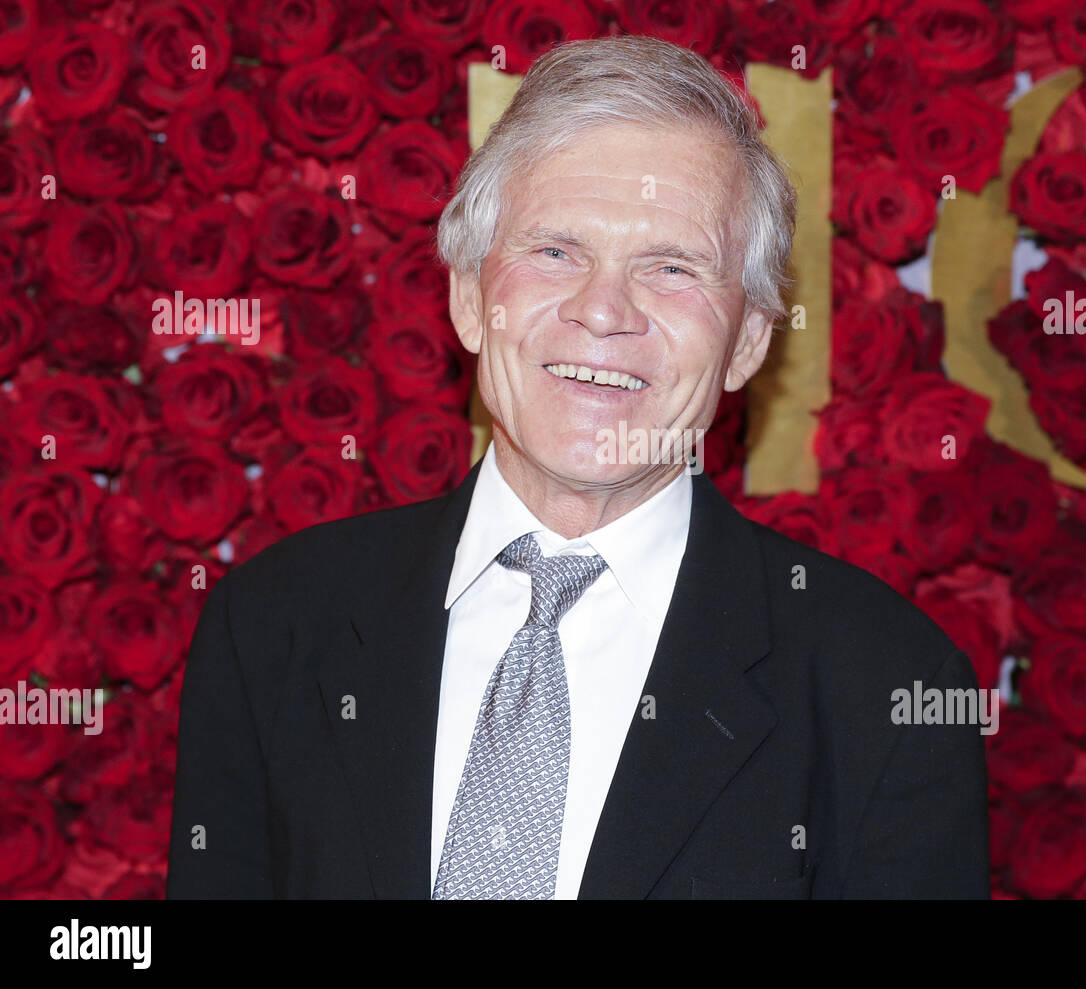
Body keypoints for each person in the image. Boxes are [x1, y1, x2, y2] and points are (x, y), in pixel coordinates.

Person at [166, 34, 989, 900]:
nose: (603, 312)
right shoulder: (273, 626)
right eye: (556, 251)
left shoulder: (888, 689)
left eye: (672, 268)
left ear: (748, 340)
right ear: (468, 298)